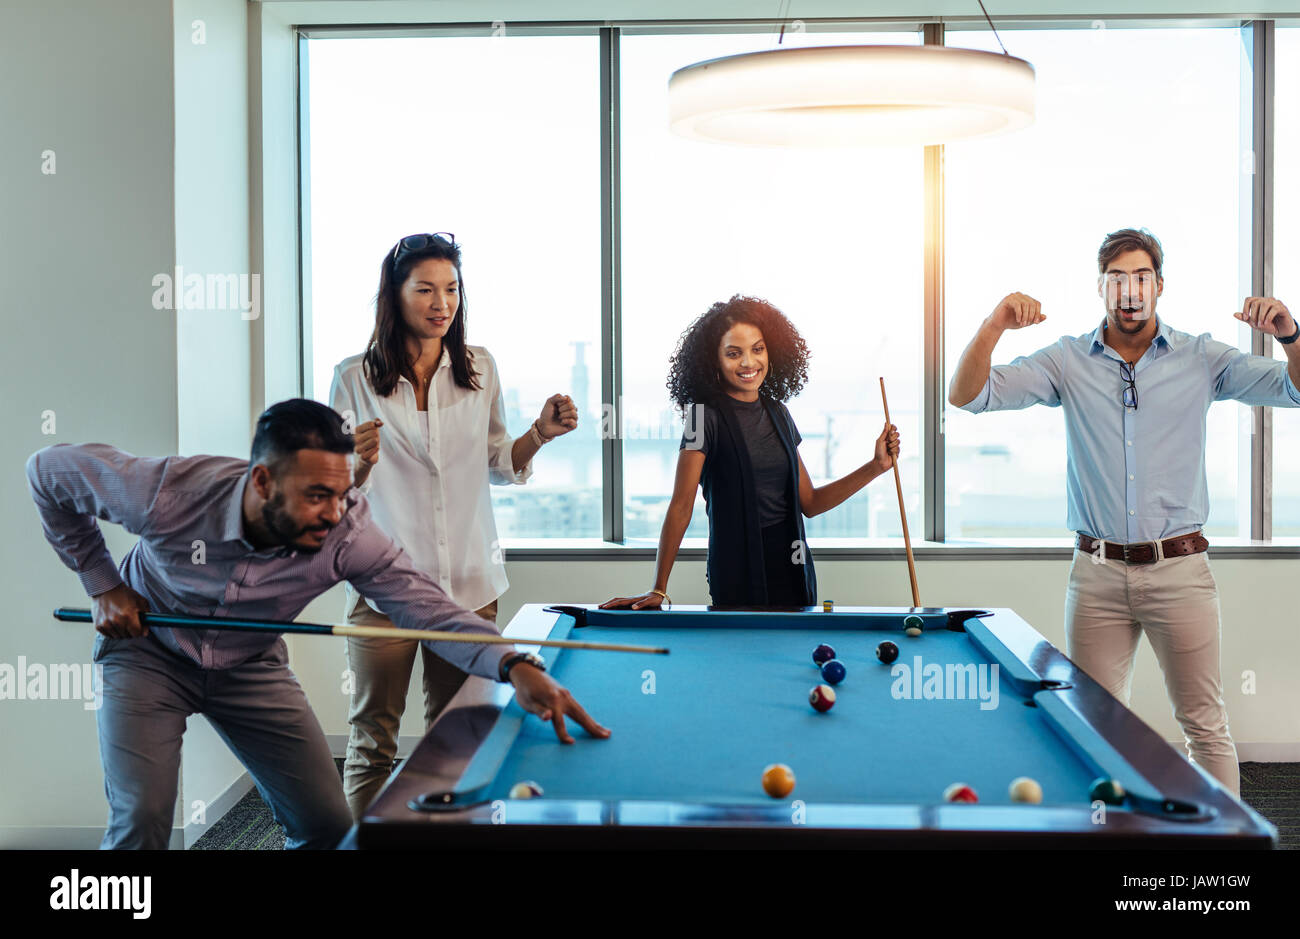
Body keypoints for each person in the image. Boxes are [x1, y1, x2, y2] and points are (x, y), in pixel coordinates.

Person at [25, 399, 607, 850]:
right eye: (317, 495)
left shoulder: (349, 534)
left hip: (250, 666)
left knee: (328, 826)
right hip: (148, 651)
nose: (334, 512)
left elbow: (430, 612)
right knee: (142, 820)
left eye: (343, 492)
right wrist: (103, 583)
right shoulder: (168, 493)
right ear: (261, 482)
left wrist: (516, 664)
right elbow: (47, 472)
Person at [948, 227, 1300, 796]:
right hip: (1097, 577)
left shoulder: (1202, 357)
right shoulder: (1066, 360)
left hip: (1180, 570)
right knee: (1093, 728)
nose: (1129, 291)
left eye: (1141, 278)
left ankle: (1228, 850)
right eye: (1117, 279)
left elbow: (1294, 389)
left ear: (1159, 286)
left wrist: (1289, 335)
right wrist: (994, 325)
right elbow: (966, 395)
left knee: (1204, 727)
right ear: (1101, 288)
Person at [329, 231, 579, 820]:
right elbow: (337, 493)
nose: (442, 303)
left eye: (452, 289)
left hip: (468, 586)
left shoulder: (478, 367)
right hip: (383, 589)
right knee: (372, 744)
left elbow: (498, 461)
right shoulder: (352, 378)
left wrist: (539, 434)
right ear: (394, 295)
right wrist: (357, 464)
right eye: (425, 290)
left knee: (460, 738)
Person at [603, 295, 900, 611]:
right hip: (737, 572)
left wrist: (876, 466)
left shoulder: (780, 413)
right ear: (713, 360)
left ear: (772, 352)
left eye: (757, 349)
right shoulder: (701, 417)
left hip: (793, 568)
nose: (748, 363)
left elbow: (810, 503)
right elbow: (680, 506)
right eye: (734, 353)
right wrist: (659, 589)